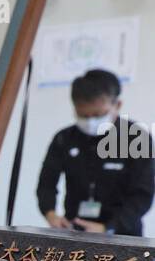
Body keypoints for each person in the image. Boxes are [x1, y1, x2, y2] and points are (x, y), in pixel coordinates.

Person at [37, 68, 154, 236]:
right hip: (74, 229)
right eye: (83, 115)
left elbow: (143, 194)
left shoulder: (136, 138)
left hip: (123, 234)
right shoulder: (64, 138)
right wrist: (50, 214)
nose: (90, 121)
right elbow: (47, 182)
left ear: (117, 105)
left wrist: (108, 227)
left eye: (98, 114)